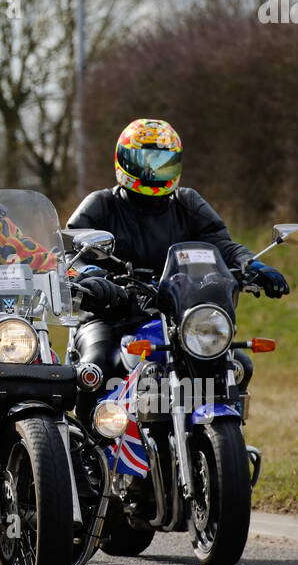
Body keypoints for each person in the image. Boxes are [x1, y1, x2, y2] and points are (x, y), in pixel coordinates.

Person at [65, 118, 289, 418]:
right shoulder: (102, 204)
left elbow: (222, 244)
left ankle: (218, 433)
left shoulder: (188, 202)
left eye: (163, 162)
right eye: (145, 162)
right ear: (124, 161)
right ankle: (89, 454)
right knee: (98, 365)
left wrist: (252, 265)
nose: (153, 171)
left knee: (235, 363)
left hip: (179, 315)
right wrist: (93, 277)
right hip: (113, 313)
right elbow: (70, 253)